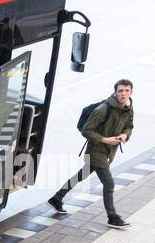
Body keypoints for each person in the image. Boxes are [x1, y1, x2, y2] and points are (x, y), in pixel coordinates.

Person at [49, 79, 135, 227]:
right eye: (120, 91)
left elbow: (129, 126)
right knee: (109, 184)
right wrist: (105, 140)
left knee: (82, 175)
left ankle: (56, 198)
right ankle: (112, 217)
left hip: (108, 151)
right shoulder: (102, 109)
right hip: (96, 150)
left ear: (131, 92)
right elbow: (86, 130)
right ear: (115, 92)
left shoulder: (128, 107)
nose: (123, 94)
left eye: (126, 91)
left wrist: (125, 135)